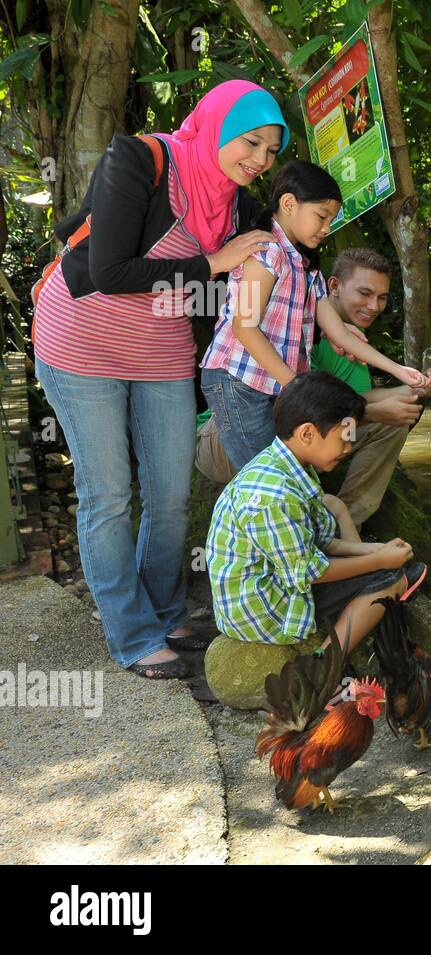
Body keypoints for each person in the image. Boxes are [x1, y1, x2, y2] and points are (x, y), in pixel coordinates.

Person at [31, 79, 288, 680]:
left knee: (171, 496)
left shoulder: (240, 206)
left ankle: (164, 615)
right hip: (82, 342)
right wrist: (215, 262)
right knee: (109, 495)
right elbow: (110, 269)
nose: (259, 161)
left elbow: (252, 278)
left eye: (272, 152)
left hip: (163, 351)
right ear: (217, 127)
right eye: (250, 143)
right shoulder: (141, 159)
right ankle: (130, 634)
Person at [198, 160, 431, 475]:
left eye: (331, 220)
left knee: (289, 472)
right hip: (237, 380)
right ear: (289, 204)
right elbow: (245, 326)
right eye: (321, 217)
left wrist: (399, 371)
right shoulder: (266, 252)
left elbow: (341, 334)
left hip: (276, 383)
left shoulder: (307, 269)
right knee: (269, 475)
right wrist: (295, 387)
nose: (326, 228)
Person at [194, 247, 431, 526]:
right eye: (365, 294)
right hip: (226, 436)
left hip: (298, 432)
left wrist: (419, 389)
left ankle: (341, 526)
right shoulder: (296, 322)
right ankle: (314, 536)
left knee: (391, 424)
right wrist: (371, 412)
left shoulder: (352, 341)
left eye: (382, 298)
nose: (374, 306)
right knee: (369, 417)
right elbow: (301, 408)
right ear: (334, 286)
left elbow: (357, 398)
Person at [205, 372, 425, 652]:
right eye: (344, 438)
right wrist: (379, 562)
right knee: (392, 580)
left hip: (267, 587)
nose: (348, 448)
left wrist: (372, 550)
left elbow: (316, 541)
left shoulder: (285, 466)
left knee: (384, 567)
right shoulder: (275, 495)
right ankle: (327, 662)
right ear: (307, 433)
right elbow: (308, 572)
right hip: (264, 612)